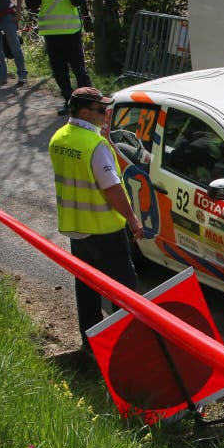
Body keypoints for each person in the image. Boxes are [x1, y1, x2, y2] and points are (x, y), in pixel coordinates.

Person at [49, 87, 144, 351]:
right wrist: (133, 220)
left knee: (87, 291)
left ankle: (90, 348)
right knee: (123, 291)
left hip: (76, 230)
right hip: (105, 231)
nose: (106, 115)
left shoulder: (58, 138)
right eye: (101, 110)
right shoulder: (96, 145)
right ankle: (128, 348)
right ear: (83, 111)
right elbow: (111, 188)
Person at [25, 0, 91, 115]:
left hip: (71, 35)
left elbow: (78, 0)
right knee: (59, 73)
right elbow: (30, 4)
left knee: (79, 70)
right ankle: (69, 101)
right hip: (51, 37)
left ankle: (88, 101)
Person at [0, 0, 27, 85]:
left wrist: (18, 13)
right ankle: (2, 77)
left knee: (15, 46)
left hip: (7, 16)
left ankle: (22, 74)